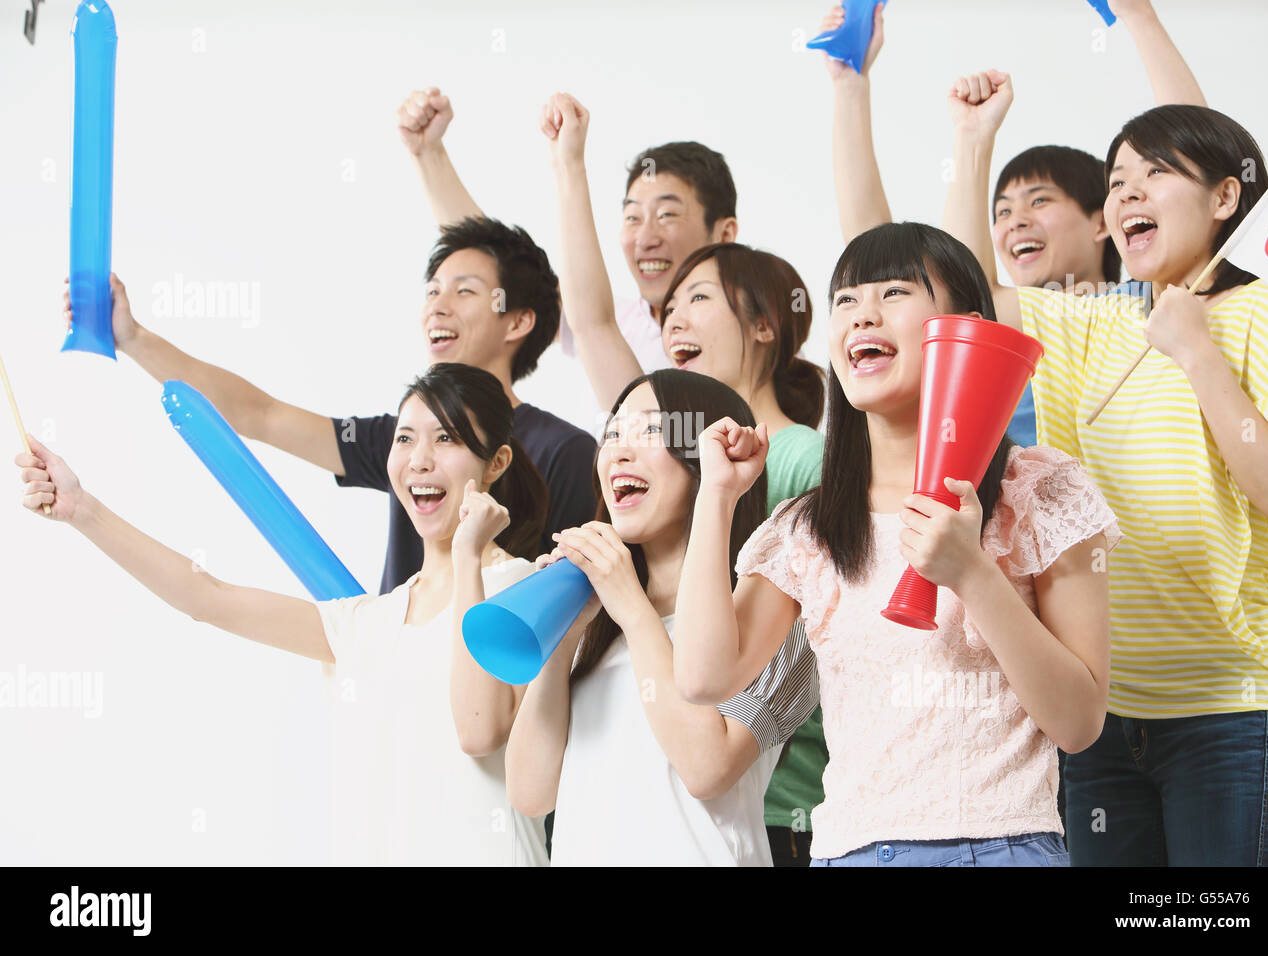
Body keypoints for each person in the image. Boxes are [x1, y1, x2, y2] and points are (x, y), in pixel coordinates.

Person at [673, 222, 1121, 867]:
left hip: (1004, 846)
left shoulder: (1037, 491)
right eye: (846, 300)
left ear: (964, 325)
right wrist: (716, 499)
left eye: (893, 292)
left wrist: (972, 573)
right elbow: (703, 676)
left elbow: (1078, 723)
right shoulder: (810, 527)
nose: (861, 316)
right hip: (848, 850)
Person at [946, 90, 1268, 865]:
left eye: (1155, 173)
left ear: (1224, 196)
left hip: (1230, 710)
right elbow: (967, 294)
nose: (1127, 192)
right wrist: (974, 142)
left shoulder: (1260, 313)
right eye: (1117, 181)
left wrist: (1197, 353)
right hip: (1099, 715)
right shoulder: (1091, 319)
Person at [15, 362, 550, 866]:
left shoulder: (524, 588)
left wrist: (466, 558)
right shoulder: (368, 622)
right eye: (405, 438)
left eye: (447, 438)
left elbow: (479, 732)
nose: (419, 459)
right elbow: (209, 598)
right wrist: (82, 510)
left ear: (497, 462)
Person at [69, 217, 597, 594]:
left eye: (464, 292)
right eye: (432, 290)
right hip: (400, 678)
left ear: (518, 320)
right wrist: (134, 337)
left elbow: (571, 604)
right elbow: (260, 414)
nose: (437, 304)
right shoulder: (398, 438)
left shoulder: (566, 450)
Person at [828, 0, 1205, 448]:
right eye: (1002, 212)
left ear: (1102, 219)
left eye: (1039, 201)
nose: (1015, 222)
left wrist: (1138, 16)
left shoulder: (1156, 304)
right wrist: (970, 139)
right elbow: (889, 261)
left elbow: (1200, 165)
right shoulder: (1003, 325)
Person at [504, 369, 819, 866]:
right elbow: (530, 793)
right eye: (612, 435)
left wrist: (631, 606)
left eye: (650, 431)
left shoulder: (770, 611)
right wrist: (560, 640)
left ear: (709, 460)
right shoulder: (594, 623)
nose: (618, 452)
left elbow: (707, 767)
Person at [397, 85, 741, 427]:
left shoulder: (749, 336)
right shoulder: (614, 319)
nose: (646, 238)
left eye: (667, 215)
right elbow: (495, 267)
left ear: (724, 234)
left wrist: (569, 166)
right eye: (633, 217)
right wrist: (430, 155)